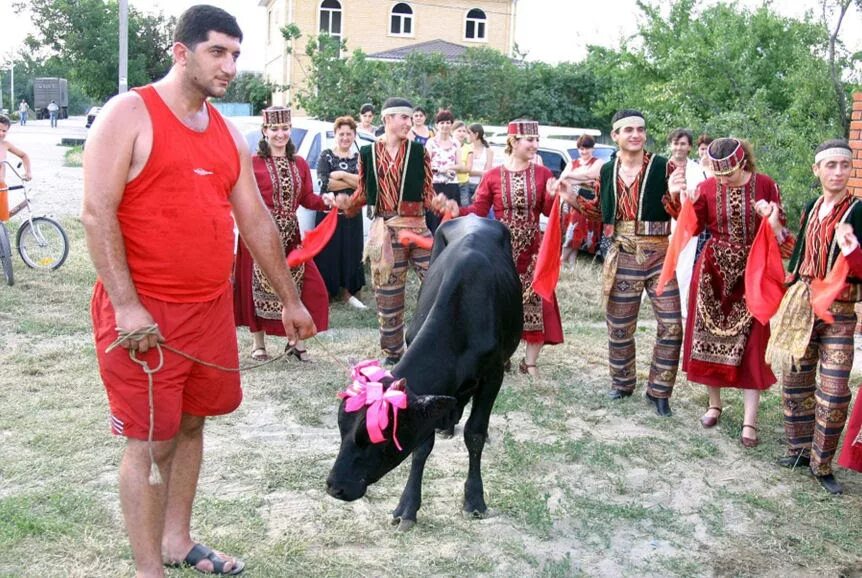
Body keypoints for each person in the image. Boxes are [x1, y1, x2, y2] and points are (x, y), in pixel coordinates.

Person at [81, 6, 315, 576]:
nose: (230, 65)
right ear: (181, 52)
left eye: (235, 54)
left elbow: (256, 220)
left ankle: (178, 541)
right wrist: (127, 305)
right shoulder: (130, 113)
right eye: (218, 51)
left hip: (209, 309)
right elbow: (95, 213)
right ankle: (148, 568)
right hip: (146, 314)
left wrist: (289, 299)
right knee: (147, 441)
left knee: (192, 423)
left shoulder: (225, 133)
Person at [680, 138, 793, 447]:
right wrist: (684, 201)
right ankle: (713, 404)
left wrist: (770, 217)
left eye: (727, 174)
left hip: (752, 273)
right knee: (707, 338)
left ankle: (749, 422)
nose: (723, 181)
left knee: (754, 344)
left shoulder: (765, 185)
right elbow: (690, 228)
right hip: (712, 271)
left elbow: (781, 234)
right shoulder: (707, 189)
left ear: (743, 163)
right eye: (718, 175)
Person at [577, 109, 685, 416]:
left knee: (672, 325)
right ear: (615, 135)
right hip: (623, 252)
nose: (636, 134)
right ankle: (622, 383)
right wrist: (571, 198)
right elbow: (600, 211)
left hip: (659, 254)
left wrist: (677, 195)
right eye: (628, 130)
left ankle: (659, 392)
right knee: (620, 326)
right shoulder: (607, 170)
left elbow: (678, 211)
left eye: (640, 129)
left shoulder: (664, 166)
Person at [771, 139, 862, 494]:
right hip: (802, 305)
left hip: (839, 311)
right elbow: (803, 254)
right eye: (830, 165)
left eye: (844, 165)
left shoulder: (858, 210)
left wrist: (852, 246)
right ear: (817, 170)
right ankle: (798, 450)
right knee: (795, 380)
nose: (837, 172)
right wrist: (776, 229)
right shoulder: (812, 206)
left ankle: (821, 464)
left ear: (851, 169)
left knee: (836, 390)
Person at [331, 97, 447, 365]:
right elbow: (363, 192)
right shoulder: (368, 154)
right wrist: (349, 204)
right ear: (387, 119)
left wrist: (438, 203)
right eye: (404, 118)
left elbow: (428, 193)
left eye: (410, 118)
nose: (409, 122)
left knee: (439, 282)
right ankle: (394, 355)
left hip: (417, 228)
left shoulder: (419, 152)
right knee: (388, 297)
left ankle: (433, 344)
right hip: (385, 231)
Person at [448, 119, 568, 377]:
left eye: (537, 140)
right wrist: (455, 209)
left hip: (533, 249)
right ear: (513, 141)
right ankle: (501, 356)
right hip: (501, 249)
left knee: (535, 299)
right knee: (499, 302)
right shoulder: (493, 176)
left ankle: (530, 363)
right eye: (530, 140)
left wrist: (552, 195)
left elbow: (548, 211)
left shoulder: (543, 174)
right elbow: (479, 211)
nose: (535, 145)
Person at [234, 105, 331, 362]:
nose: (280, 134)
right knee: (256, 288)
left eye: (285, 128)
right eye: (274, 129)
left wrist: (328, 202)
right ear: (264, 131)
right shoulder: (252, 164)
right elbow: (239, 196)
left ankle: (295, 343)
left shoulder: (298, 163)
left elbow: (307, 198)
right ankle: (258, 344)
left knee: (303, 286)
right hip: (259, 233)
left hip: (290, 234)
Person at [313, 116, 367, 310]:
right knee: (329, 249)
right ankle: (327, 291)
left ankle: (348, 292)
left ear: (354, 135)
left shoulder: (359, 157)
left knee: (351, 249)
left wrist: (342, 175)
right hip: (330, 211)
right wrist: (351, 181)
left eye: (349, 134)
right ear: (335, 135)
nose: (345, 137)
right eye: (341, 134)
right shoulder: (326, 155)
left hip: (352, 211)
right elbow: (325, 183)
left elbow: (364, 184)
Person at [667, 128, 708, 317]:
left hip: (687, 222)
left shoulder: (697, 169)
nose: (679, 147)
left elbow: (702, 195)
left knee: (684, 263)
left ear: (690, 147)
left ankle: (681, 303)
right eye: (676, 143)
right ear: (670, 145)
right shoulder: (663, 167)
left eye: (683, 143)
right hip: (664, 220)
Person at [561, 134, 605, 265]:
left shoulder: (598, 162)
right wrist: (581, 177)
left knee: (578, 231)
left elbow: (593, 175)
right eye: (581, 148)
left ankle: (566, 261)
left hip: (588, 201)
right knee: (571, 231)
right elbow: (564, 179)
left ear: (592, 148)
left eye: (586, 148)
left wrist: (571, 176)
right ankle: (566, 261)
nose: (583, 151)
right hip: (570, 200)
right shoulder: (572, 163)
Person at [425, 109, 466, 233]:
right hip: (435, 185)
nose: (445, 126)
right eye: (442, 123)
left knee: (451, 219)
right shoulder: (431, 142)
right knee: (434, 219)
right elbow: (426, 164)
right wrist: (440, 170)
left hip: (451, 184)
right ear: (437, 125)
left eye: (448, 123)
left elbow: (460, 165)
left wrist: (449, 168)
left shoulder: (455, 143)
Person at [0, 114, 32, 221]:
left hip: (1, 186)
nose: (1, 133)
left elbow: (24, 156)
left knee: (2, 219)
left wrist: (28, 172)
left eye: (4, 131)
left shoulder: (6, 145)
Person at [465, 123, 493, 205]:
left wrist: (478, 189)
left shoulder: (488, 151)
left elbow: (487, 173)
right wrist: (481, 172)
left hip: (481, 185)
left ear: (476, 134)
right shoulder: (466, 148)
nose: (466, 135)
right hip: (466, 185)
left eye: (469, 133)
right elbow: (466, 170)